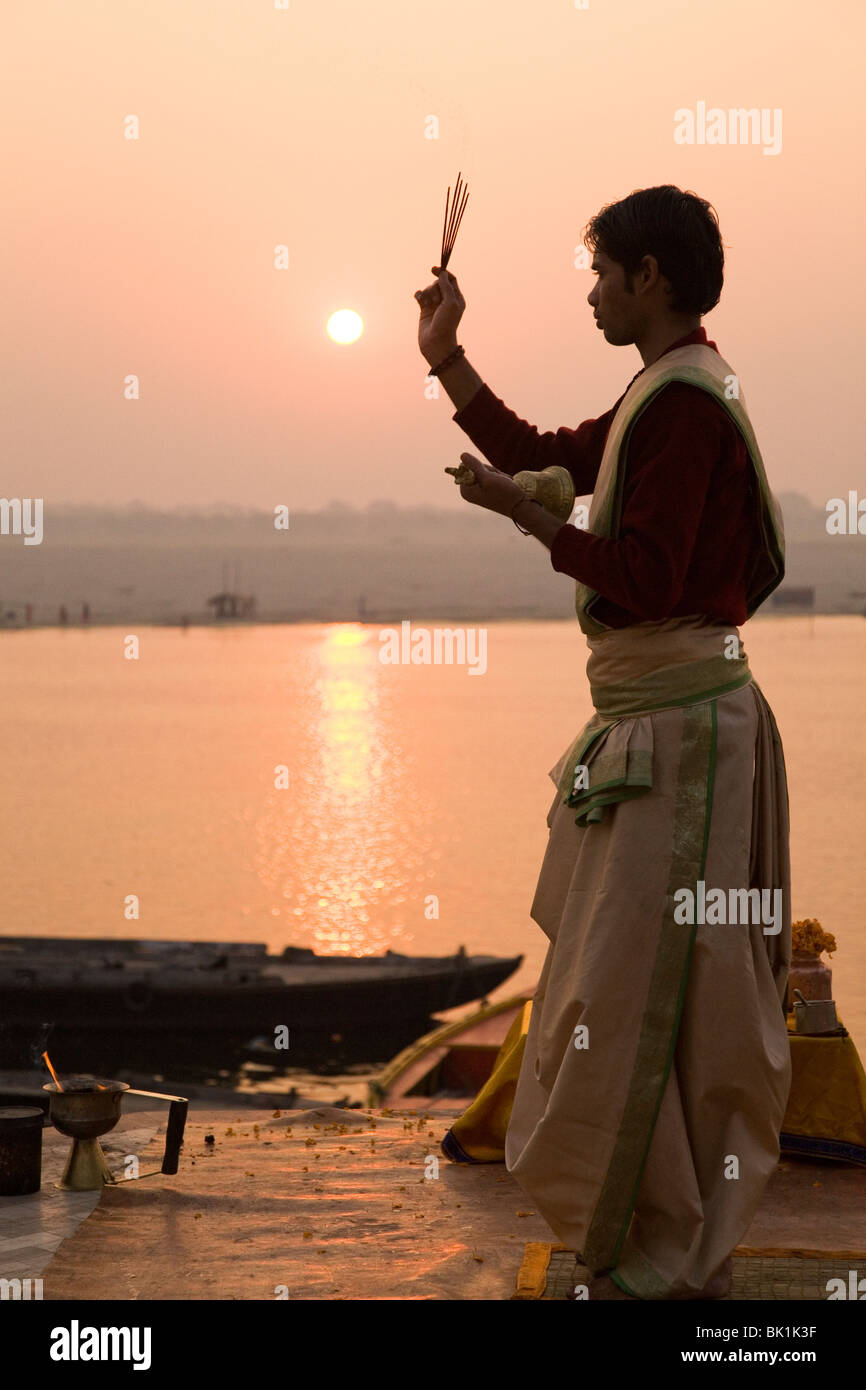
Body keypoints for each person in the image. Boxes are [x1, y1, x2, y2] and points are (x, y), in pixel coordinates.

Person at [413, 184, 791, 1300]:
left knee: (647, 995)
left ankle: (667, 1249)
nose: (588, 290)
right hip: (665, 727)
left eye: (599, 271)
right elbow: (546, 449)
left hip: (683, 739)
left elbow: (647, 578)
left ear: (649, 278)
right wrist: (447, 358)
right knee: (632, 990)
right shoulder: (660, 393)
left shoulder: (680, 404)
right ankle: (656, 1239)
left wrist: (531, 520)